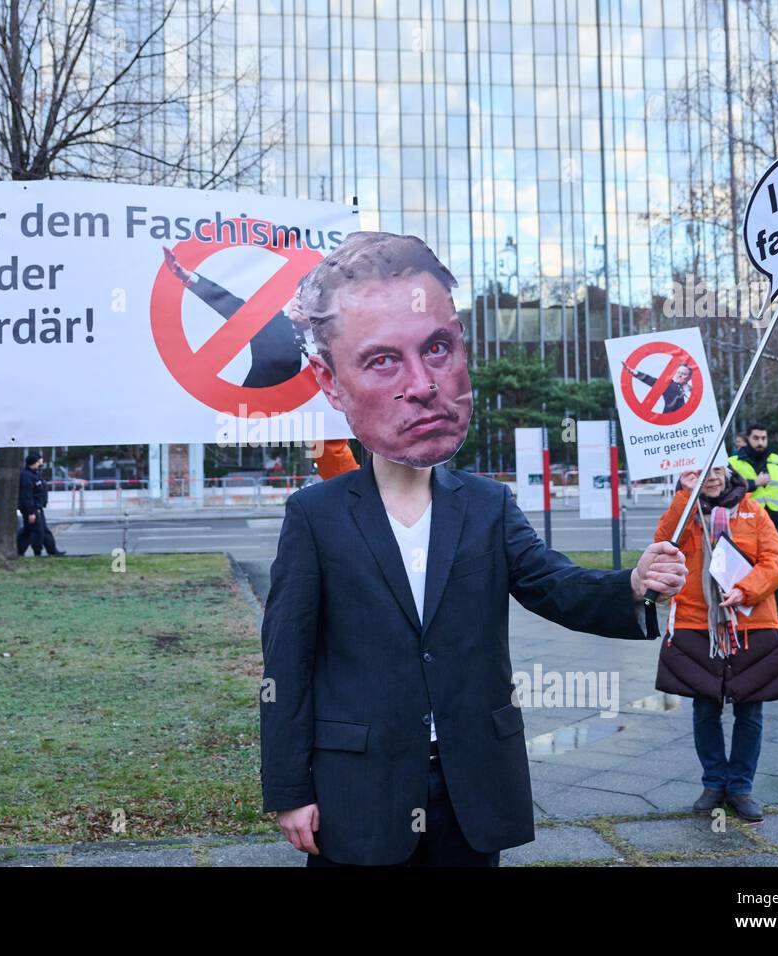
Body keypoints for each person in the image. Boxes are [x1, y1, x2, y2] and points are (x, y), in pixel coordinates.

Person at [259, 232, 687, 867]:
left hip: (472, 784)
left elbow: (552, 583)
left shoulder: (486, 505)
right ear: (331, 380)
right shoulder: (316, 516)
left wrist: (632, 583)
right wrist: (291, 792)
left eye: (437, 348)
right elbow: (286, 667)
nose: (424, 385)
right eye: (381, 360)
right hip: (360, 787)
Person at [652, 464, 778, 823]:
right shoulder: (685, 509)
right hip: (697, 624)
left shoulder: (752, 510)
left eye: (714, 469)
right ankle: (714, 783)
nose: (709, 477)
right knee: (704, 709)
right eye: (699, 472)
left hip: (751, 622)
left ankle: (741, 787)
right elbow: (664, 545)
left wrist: (745, 589)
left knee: (750, 711)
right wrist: (684, 496)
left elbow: (776, 562)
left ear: (726, 471)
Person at [162, 246, 307, 388]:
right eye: (298, 296)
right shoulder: (273, 324)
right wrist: (188, 277)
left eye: (308, 301)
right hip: (251, 407)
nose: (299, 304)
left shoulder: (325, 341)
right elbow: (232, 305)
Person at [729, 424, 778, 643]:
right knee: (745, 577)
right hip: (745, 529)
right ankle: (746, 624)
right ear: (747, 439)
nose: (761, 442)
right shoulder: (733, 464)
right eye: (756, 438)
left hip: (777, 528)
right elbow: (728, 493)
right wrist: (753, 484)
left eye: (764, 437)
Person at [17, 452, 65, 556]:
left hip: (36, 508)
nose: (42, 461)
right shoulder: (26, 476)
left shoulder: (35, 473)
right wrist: (31, 512)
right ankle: (35, 552)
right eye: (40, 459)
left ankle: (52, 550)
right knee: (37, 532)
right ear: (35, 461)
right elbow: (26, 495)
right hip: (32, 508)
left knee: (39, 530)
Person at [622, 358, 693, 414]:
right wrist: (633, 372)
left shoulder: (695, 391)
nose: (679, 375)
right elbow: (651, 380)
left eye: (683, 374)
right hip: (671, 423)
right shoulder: (669, 386)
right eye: (678, 372)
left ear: (690, 377)